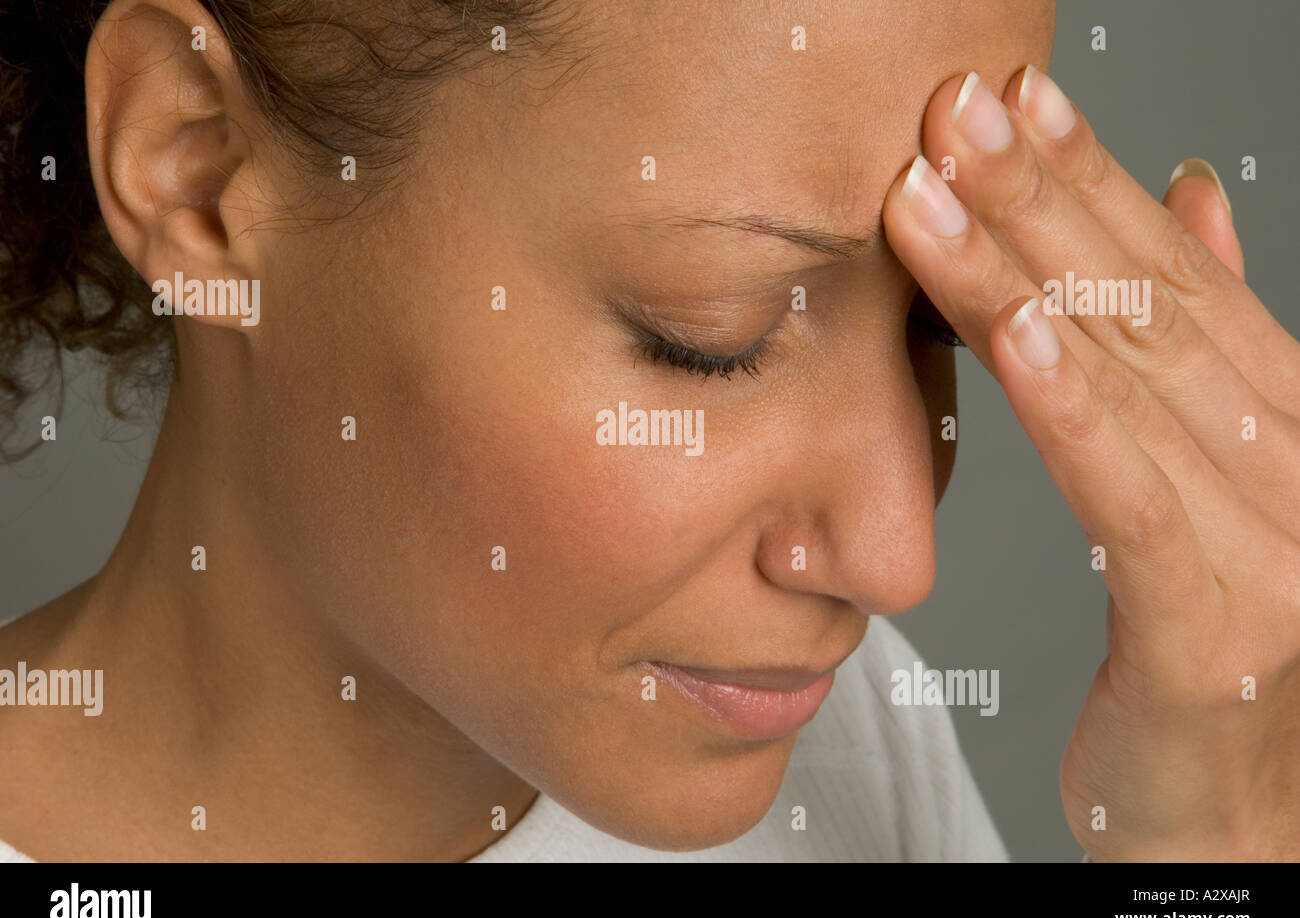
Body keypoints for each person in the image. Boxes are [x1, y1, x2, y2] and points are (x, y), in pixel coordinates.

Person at [2, 0, 1297, 862]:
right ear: (197, 169)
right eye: (712, 333)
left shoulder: (851, 755)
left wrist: (1211, 857)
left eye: (939, 325)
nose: (899, 558)